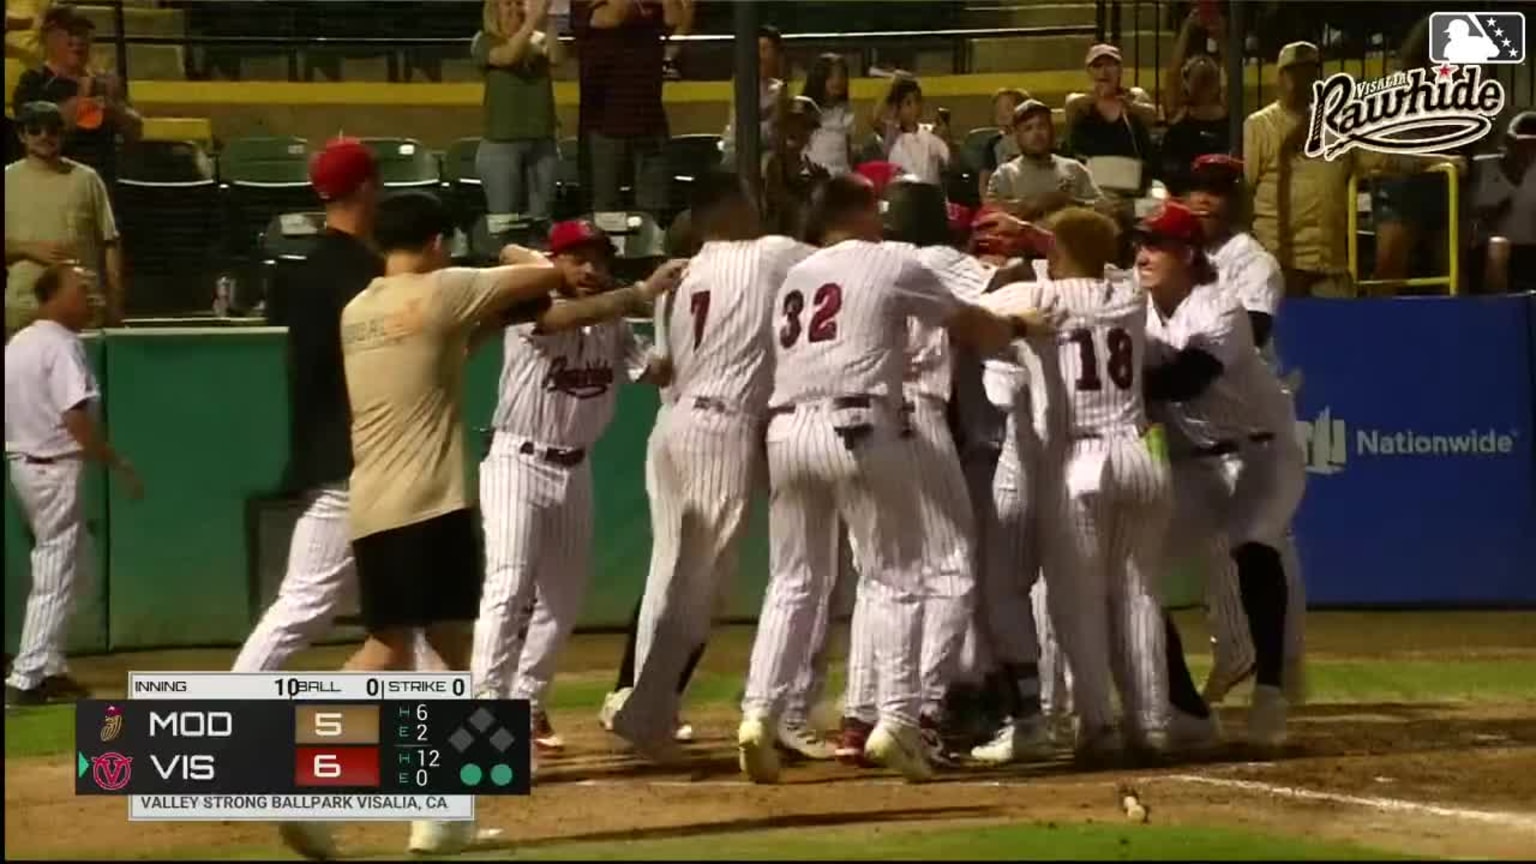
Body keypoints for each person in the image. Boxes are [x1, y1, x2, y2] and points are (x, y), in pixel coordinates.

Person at [734, 174, 1058, 785]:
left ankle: (759, 714)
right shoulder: (893, 258)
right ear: (862, 214)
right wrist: (1017, 328)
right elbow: (972, 322)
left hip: (788, 427)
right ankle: (898, 721)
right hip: (866, 421)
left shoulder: (797, 274)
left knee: (794, 582)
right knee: (903, 577)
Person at [277, 190, 572, 860]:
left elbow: (429, 366)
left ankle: (441, 818)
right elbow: (551, 271)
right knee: (395, 656)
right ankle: (305, 786)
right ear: (437, 243)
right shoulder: (443, 288)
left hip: (372, 505)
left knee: (441, 652)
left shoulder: (359, 309)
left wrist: (484, 330)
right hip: (431, 505)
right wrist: (512, 251)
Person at [609, 172, 816, 760]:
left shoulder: (678, 275)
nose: (758, 211)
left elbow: (665, 367)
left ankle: (644, 704)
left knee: (672, 574)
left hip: (673, 424)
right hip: (719, 426)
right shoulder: (769, 253)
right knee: (699, 585)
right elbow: (842, 264)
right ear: (730, 210)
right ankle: (645, 709)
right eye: (749, 203)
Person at [469, 220, 683, 761]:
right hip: (517, 461)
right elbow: (554, 304)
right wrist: (637, 293)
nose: (589, 269)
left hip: (575, 469)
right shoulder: (529, 303)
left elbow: (654, 372)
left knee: (561, 601)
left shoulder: (609, 324)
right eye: (576, 258)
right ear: (552, 261)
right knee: (509, 586)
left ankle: (527, 704)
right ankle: (485, 714)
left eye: (597, 259)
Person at [978, 208, 1174, 762]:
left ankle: (1098, 725)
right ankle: (1152, 724)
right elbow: (1094, 259)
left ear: (1057, 257)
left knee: (1076, 599)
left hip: (1080, 459)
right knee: (1139, 593)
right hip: (1142, 454)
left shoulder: (1042, 299)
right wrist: (1051, 240)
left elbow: (969, 316)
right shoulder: (1129, 295)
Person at [835, 178, 995, 767]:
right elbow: (999, 295)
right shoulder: (935, 259)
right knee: (952, 566)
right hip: (917, 415)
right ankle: (920, 711)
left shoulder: (850, 263)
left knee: (881, 573)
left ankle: (860, 716)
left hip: (854, 417)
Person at [1138, 201, 1305, 752]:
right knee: (1130, 575)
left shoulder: (1220, 307)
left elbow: (1186, 379)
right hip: (1197, 465)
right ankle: (1187, 710)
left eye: (1156, 244)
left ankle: (1271, 696)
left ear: (1187, 254)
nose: (1142, 253)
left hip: (1262, 454)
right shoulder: (1137, 306)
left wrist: (1117, 377)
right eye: (1140, 242)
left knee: (1253, 547)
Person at [232, 138, 394, 674]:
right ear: (367, 188)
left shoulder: (305, 271)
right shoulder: (363, 274)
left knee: (412, 614)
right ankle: (223, 713)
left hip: (345, 455)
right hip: (354, 461)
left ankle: (427, 727)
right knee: (306, 602)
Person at [1182, 154, 1307, 713]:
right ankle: (1239, 652)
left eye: (1217, 189)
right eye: (1196, 188)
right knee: (1216, 546)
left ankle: (1280, 663)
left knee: (1263, 545)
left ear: (1237, 199)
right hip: (1205, 422)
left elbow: (1249, 333)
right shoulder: (1179, 257)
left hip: (1250, 417)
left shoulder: (1251, 261)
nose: (1204, 198)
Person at [3, 263, 140, 707]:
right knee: (55, 573)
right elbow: (74, 416)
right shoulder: (60, 345)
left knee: (77, 567)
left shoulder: (19, 342)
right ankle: (26, 677)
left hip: (26, 464)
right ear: (54, 298)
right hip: (53, 466)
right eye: (80, 291)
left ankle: (52, 666)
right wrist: (116, 461)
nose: (89, 299)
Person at [1243, 41, 1457, 298]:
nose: (1301, 79)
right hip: (1277, 264)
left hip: (1328, 265)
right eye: (1293, 71)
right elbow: (1246, 188)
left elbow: (1385, 158)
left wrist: (1436, 159)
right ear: (1280, 76)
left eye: (1309, 71)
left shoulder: (1336, 126)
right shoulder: (1259, 125)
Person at [5, 100, 121, 336]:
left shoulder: (87, 179)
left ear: (63, 134)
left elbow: (110, 243)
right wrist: (26, 249)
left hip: (81, 309)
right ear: (22, 136)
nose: (44, 136)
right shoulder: (7, 180)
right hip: (23, 310)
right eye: (35, 130)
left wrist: (115, 303)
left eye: (53, 129)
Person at [573, 0, 694, 215]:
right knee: (606, 205)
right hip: (606, 122)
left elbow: (675, 17)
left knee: (653, 205)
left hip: (649, 118)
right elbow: (615, 15)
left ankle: (649, 247)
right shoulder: (587, 6)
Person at [11, 5, 140, 185]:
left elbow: (135, 131)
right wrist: (84, 94)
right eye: (70, 33)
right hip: (52, 180)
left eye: (83, 34)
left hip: (101, 181)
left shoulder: (105, 82)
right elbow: (44, 130)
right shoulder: (34, 81)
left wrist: (115, 108)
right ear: (49, 37)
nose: (77, 40)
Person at [473, 0, 564, 221]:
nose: (515, 10)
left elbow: (557, 57)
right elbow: (507, 56)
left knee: (541, 218)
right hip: (501, 145)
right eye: (507, 4)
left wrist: (546, 19)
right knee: (505, 219)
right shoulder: (484, 41)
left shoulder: (536, 39)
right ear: (495, 9)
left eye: (519, 3)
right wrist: (532, 22)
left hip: (542, 143)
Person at [986, 99, 1105, 221]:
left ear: (1052, 131)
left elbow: (1100, 210)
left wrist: (1068, 203)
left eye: (1042, 126)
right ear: (1017, 135)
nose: (1036, 133)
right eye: (1028, 128)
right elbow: (991, 218)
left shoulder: (1074, 169)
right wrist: (1033, 206)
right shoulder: (1005, 175)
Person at [1062, 44, 1156, 197]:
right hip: (1094, 185)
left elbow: (1151, 117)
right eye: (1097, 66)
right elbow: (1071, 112)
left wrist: (1128, 105)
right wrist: (1098, 97)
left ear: (1120, 70)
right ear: (1089, 71)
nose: (1104, 71)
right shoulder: (1078, 103)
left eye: (1111, 65)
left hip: (1132, 182)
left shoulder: (1136, 97)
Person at [1159, 8, 1229, 196]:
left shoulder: (1226, 110)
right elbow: (1172, 74)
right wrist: (1186, 30)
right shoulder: (1179, 112)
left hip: (1219, 189)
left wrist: (1221, 37)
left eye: (1207, 64)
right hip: (1186, 190)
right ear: (1186, 82)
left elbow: (1233, 73)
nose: (1202, 64)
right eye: (1195, 66)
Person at [1469, 111, 1536, 294]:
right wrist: (1489, 215)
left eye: (1533, 145)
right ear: (1508, 142)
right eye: (1523, 144)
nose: (1528, 152)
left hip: (1529, 251)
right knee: (1498, 246)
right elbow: (1467, 218)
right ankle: (1497, 310)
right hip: (1486, 253)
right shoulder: (1482, 168)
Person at [721, 25, 789, 170]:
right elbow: (750, 132)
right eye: (757, 49)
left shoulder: (780, 89)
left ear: (777, 54)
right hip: (738, 152)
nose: (760, 56)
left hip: (768, 151)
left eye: (765, 50)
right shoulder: (743, 84)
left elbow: (779, 134)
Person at [762, 96, 830, 238]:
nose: (798, 131)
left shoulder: (809, 164)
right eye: (791, 125)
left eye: (806, 127)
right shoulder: (772, 162)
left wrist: (821, 185)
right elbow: (776, 197)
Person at [872, 73, 949, 186]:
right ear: (897, 108)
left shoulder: (931, 132)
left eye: (917, 101)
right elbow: (874, 119)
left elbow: (950, 162)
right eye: (908, 103)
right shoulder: (893, 135)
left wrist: (946, 138)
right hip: (902, 197)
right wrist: (891, 86)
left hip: (929, 195)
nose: (915, 107)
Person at [801, 52, 854, 177]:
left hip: (840, 172)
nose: (838, 81)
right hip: (812, 171)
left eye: (841, 76)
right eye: (831, 76)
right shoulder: (807, 110)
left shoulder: (845, 110)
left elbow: (847, 146)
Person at [976, 87, 1029, 201]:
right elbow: (984, 180)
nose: (1001, 113)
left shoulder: (1033, 139)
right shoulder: (994, 143)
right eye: (998, 108)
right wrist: (988, 203)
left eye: (1008, 108)